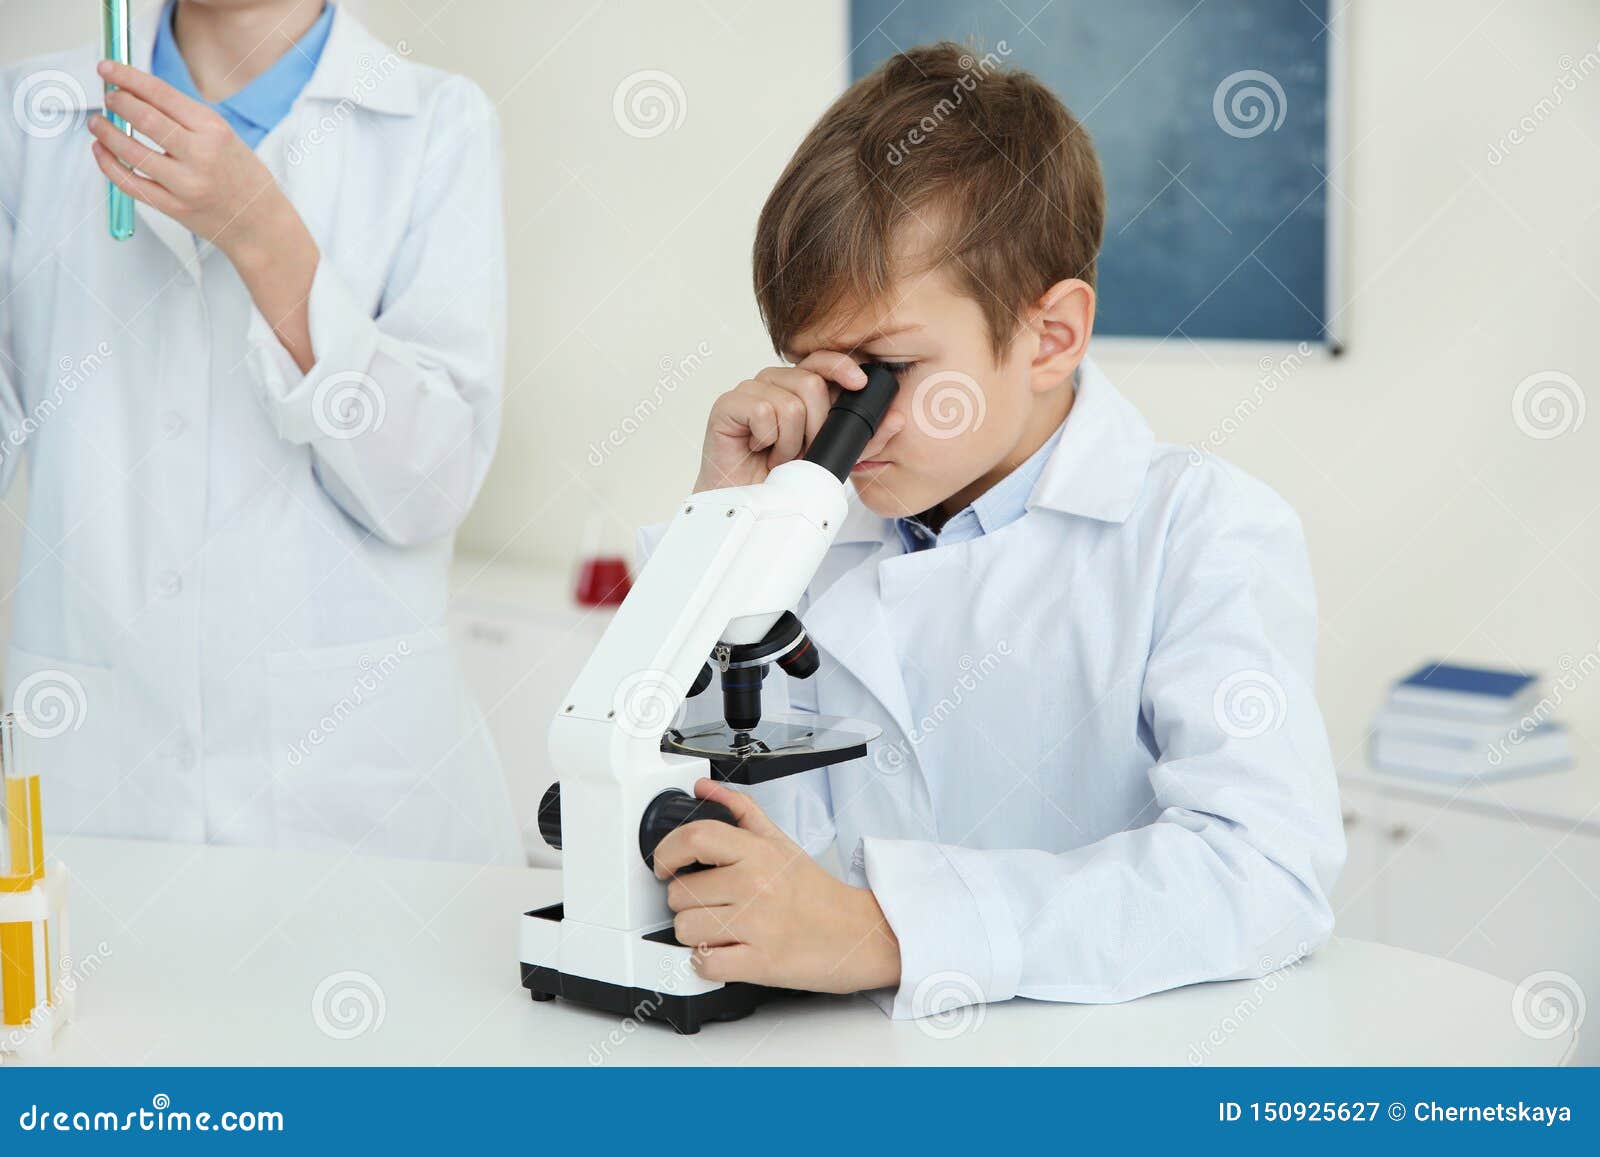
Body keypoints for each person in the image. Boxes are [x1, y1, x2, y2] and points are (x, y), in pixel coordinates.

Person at [648, 43, 1345, 1018]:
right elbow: (634, 792)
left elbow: (1263, 871)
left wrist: (884, 930)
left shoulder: (1197, 529)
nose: (849, 417)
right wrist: (722, 529)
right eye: (818, 372)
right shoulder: (784, 525)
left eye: (886, 368)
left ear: (1050, 337)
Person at [0, 1, 521, 864]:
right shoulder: (32, 120)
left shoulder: (436, 123)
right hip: (100, 788)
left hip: (353, 803)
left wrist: (262, 233)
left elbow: (427, 490)